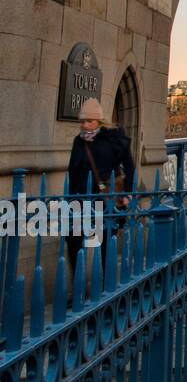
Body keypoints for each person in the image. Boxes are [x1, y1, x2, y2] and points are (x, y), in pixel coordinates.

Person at [65, 98, 135, 269]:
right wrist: (69, 201)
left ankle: (105, 287)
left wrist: (127, 192)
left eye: (90, 121)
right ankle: (78, 286)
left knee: (105, 242)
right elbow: (72, 171)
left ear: (99, 121)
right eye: (82, 121)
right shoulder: (79, 142)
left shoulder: (112, 139)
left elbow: (129, 165)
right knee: (73, 240)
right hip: (81, 198)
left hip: (105, 200)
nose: (85, 125)